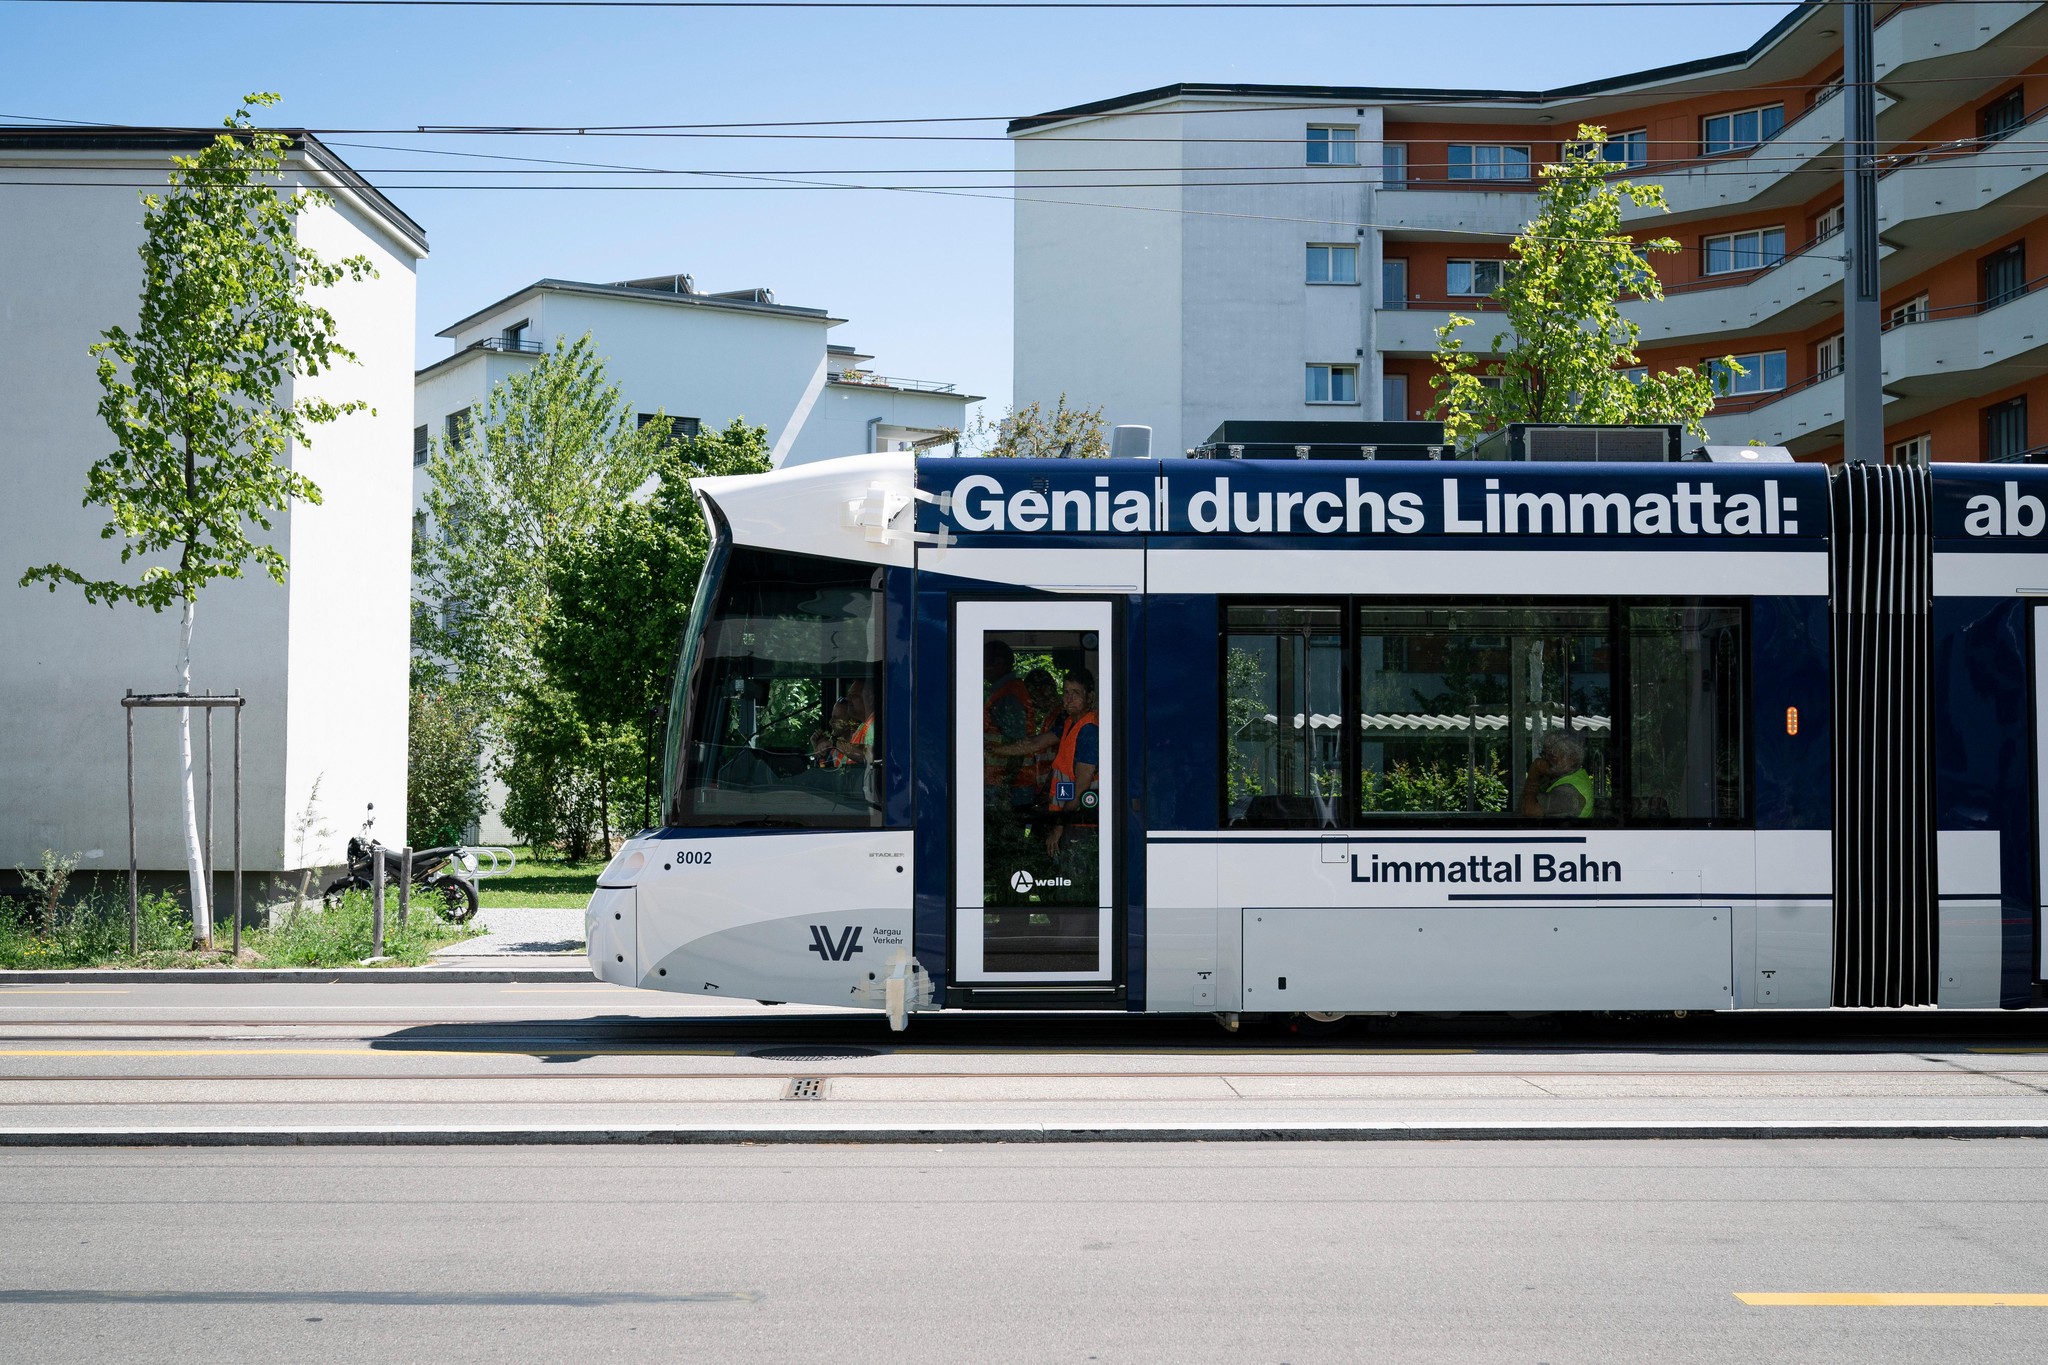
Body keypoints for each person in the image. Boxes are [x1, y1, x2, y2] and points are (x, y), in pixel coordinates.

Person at [1044, 670, 1100, 868]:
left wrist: (1059, 826)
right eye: (1066, 692)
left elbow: (1080, 789)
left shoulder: (1088, 731)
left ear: (1090, 697)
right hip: (1069, 818)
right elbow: (1036, 743)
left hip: (1078, 822)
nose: (1068, 699)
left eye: (1076, 693)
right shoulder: (1070, 723)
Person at [1519, 729, 1594, 819]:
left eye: (1552, 756)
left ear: (1571, 758)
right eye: (1543, 754)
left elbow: (1529, 811)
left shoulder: (1569, 791)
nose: (1545, 759)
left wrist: (1534, 774)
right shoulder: (1568, 775)